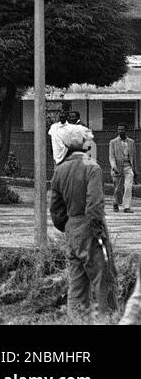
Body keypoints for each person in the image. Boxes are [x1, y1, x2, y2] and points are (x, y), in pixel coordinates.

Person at [50, 130, 117, 320]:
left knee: (77, 284)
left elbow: (55, 208)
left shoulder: (60, 170)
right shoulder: (92, 167)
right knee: (104, 280)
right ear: (85, 146)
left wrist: (69, 226)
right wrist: (98, 233)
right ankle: (109, 320)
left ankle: (77, 321)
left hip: (72, 229)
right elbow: (95, 204)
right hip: (91, 229)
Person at [110, 124, 135, 213]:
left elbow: (133, 157)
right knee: (118, 188)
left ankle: (126, 206)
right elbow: (111, 156)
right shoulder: (113, 142)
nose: (120, 131)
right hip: (117, 167)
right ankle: (115, 203)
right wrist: (114, 167)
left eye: (122, 129)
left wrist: (134, 170)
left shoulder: (131, 142)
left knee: (128, 187)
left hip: (128, 167)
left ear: (126, 130)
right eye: (119, 129)